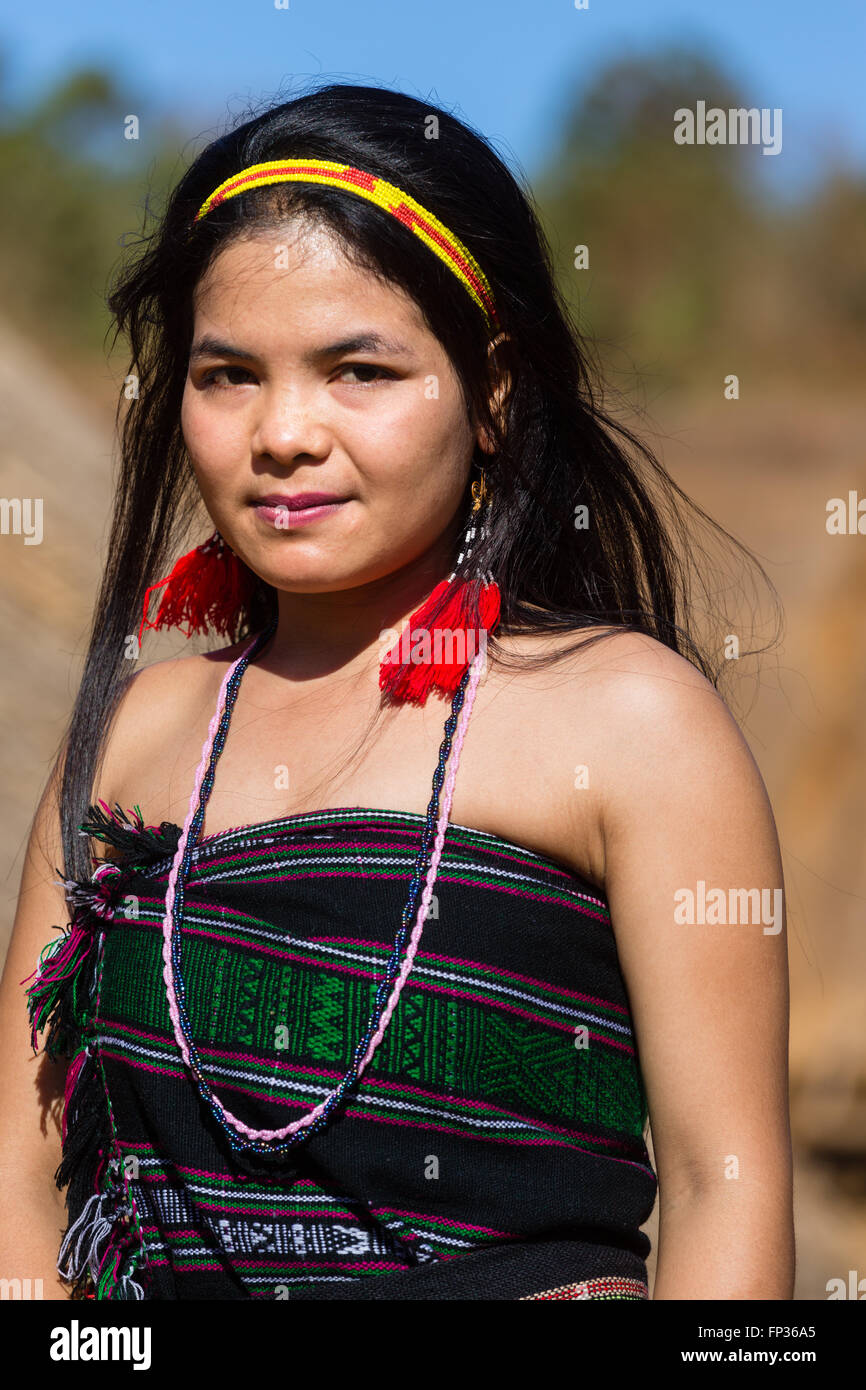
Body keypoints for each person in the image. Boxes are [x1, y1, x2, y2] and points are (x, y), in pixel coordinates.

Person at [0, 81, 794, 1300]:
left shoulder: (630, 723)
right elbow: (16, 1183)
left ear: (491, 392)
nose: (283, 432)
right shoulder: (128, 737)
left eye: (356, 370)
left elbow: (720, 1182)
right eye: (228, 376)